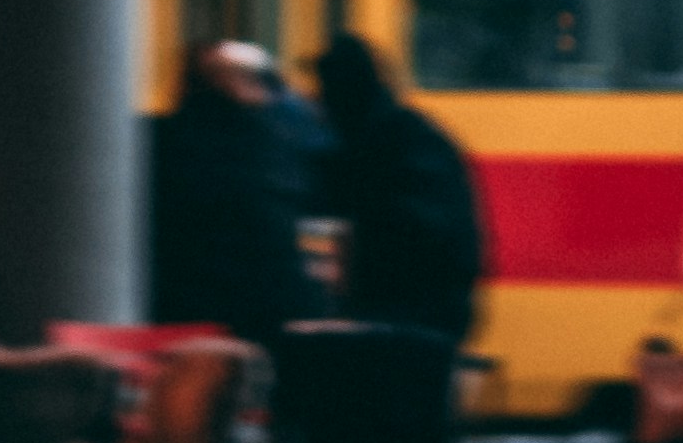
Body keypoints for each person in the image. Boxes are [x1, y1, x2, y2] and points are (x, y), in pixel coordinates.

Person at [142, 41, 330, 345]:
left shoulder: (160, 139)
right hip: (259, 313)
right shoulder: (271, 143)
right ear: (245, 85)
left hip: (169, 306)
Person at [313, 34, 484, 341]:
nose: (317, 103)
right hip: (434, 307)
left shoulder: (383, 143)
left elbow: (400, 228)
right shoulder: (409, 134)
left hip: (413, 311)